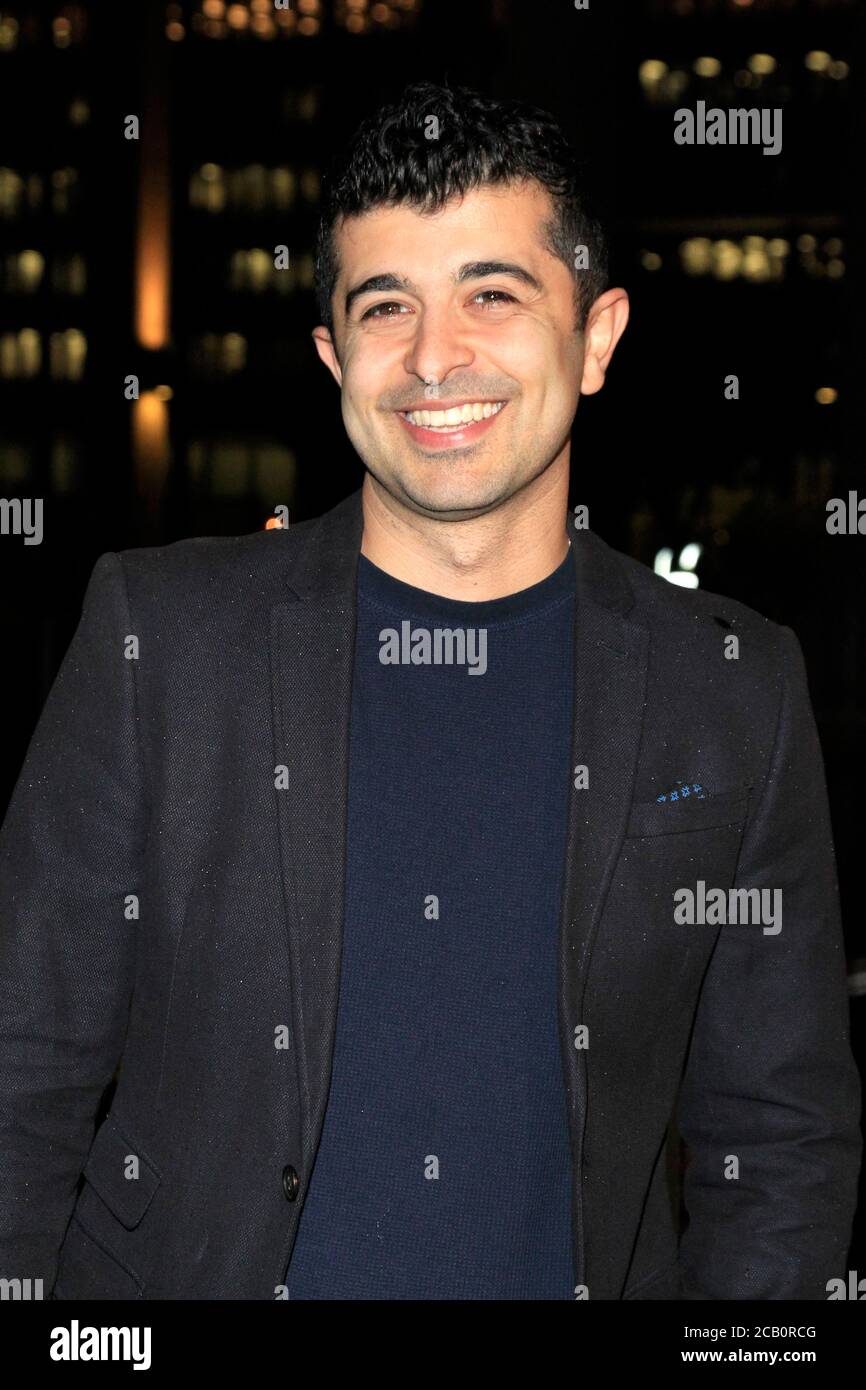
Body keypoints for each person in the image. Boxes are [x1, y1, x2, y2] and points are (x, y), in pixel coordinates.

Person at [0, 81, 860, 1301]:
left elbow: (777, 1138)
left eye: (491, 296)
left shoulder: (732, 686)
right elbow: (18, 1072)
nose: (433, 356)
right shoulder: (163, 643)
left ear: (596, 334)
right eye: (384, 305)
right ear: (331, 354)